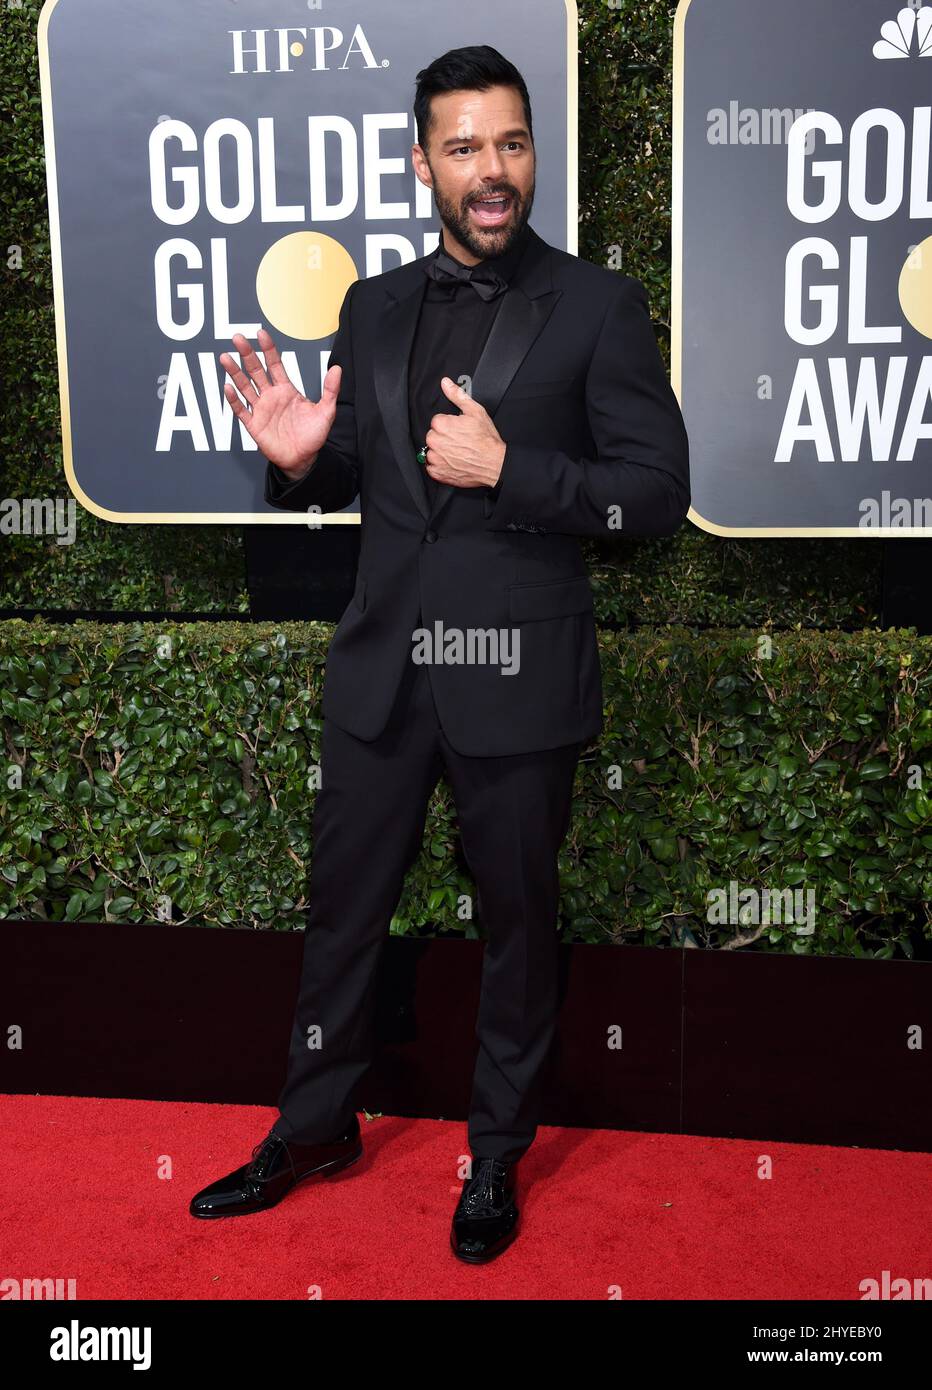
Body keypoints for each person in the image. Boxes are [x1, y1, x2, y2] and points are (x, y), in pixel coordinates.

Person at [189, 44, 690, 1264]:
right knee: (341, 913)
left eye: (510, 143)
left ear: (532, 153)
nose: (491, 170)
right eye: (463, 147)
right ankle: (314, 1127)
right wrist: (306, 460)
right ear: (422, 163)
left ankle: (496, 1155)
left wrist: (514, 471)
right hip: (381, 672)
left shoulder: (598, 306)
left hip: (518, 677)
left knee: (517, 923)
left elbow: (656, 497)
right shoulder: (373, 306)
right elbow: (368, 467)